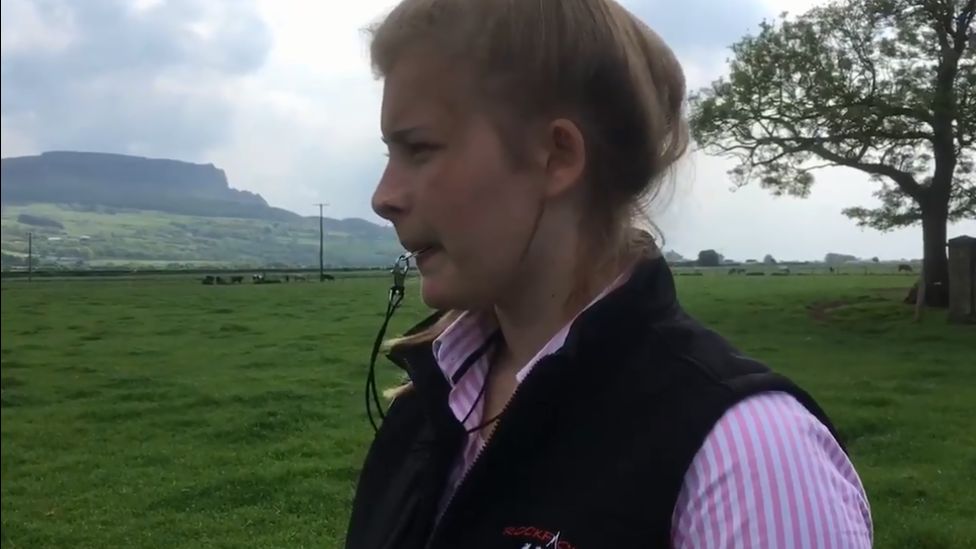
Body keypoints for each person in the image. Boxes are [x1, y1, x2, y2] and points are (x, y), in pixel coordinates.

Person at [346, 0, 874, 547]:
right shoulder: (427, 403)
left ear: (557, 156)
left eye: (420, 148)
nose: (384, 197)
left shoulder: (750, 454)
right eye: (390, 153)